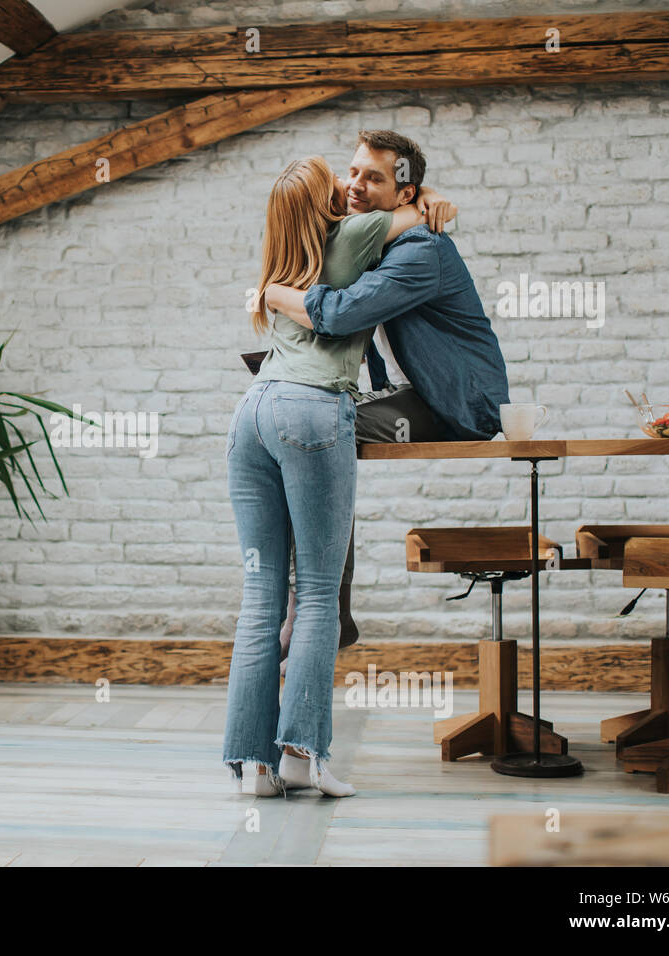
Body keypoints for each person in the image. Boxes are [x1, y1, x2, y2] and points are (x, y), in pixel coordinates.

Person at [224, 155, 456, 797]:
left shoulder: (278, 261)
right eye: (340, 185)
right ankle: (303, 755)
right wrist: (430, 194)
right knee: (319, 594)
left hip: (252, 414)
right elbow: (411, 211)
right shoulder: (350, 235)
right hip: (312, 410)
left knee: (261, 598)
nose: (352, 190)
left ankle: (253, 768)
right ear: (325, 204)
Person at [266, 130, 510, 652]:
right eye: (352, 171)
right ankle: (320, 607)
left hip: (461, 403)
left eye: (373, 178)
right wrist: (426, 197)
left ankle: (323, 610)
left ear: (402, 193)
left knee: (325, 428)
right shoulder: (381, 229)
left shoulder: (421, 251)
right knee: (309, 428)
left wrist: (274, 293)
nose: (355, 185)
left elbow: (337, 316)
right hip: (418, 391)